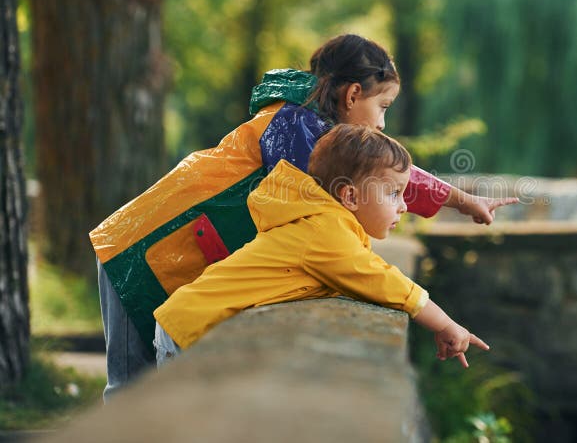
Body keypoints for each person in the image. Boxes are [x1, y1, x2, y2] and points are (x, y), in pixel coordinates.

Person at [91, 34, 516, 400]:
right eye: (383, 106)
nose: (383, 123)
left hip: (168, 252)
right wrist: (458, 200)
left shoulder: (304, 126)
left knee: (148, 394)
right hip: (137, 252)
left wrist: (461, 199)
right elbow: (376, 176)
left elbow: (378, 175)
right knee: (131, 393)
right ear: (352, 96)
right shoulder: (295, 129)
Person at [153, 124, 489, 368]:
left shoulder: (325, 223)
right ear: (350, 196)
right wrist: (445, 323)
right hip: (194, 326)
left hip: (196, 320)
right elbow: (380, 279)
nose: (403, 206)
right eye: (393, 194)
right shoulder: (323, 232)